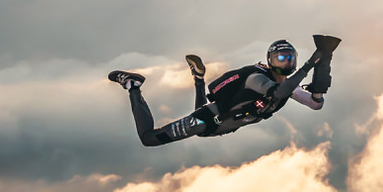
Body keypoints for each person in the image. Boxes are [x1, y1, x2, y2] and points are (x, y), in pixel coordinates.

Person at [108, 35, 339, 147]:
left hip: (219, 125)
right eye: (280, 57)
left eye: (289, 58)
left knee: (201, 120)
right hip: (207, 121)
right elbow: (277, 93)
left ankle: (199, 78)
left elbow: (315, 104)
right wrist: (309, 64)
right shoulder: (257, 78)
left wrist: (322, 70)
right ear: (270, 60)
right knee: (149, 138)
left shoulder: (290, 87)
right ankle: (133, 86)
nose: (286, 62)